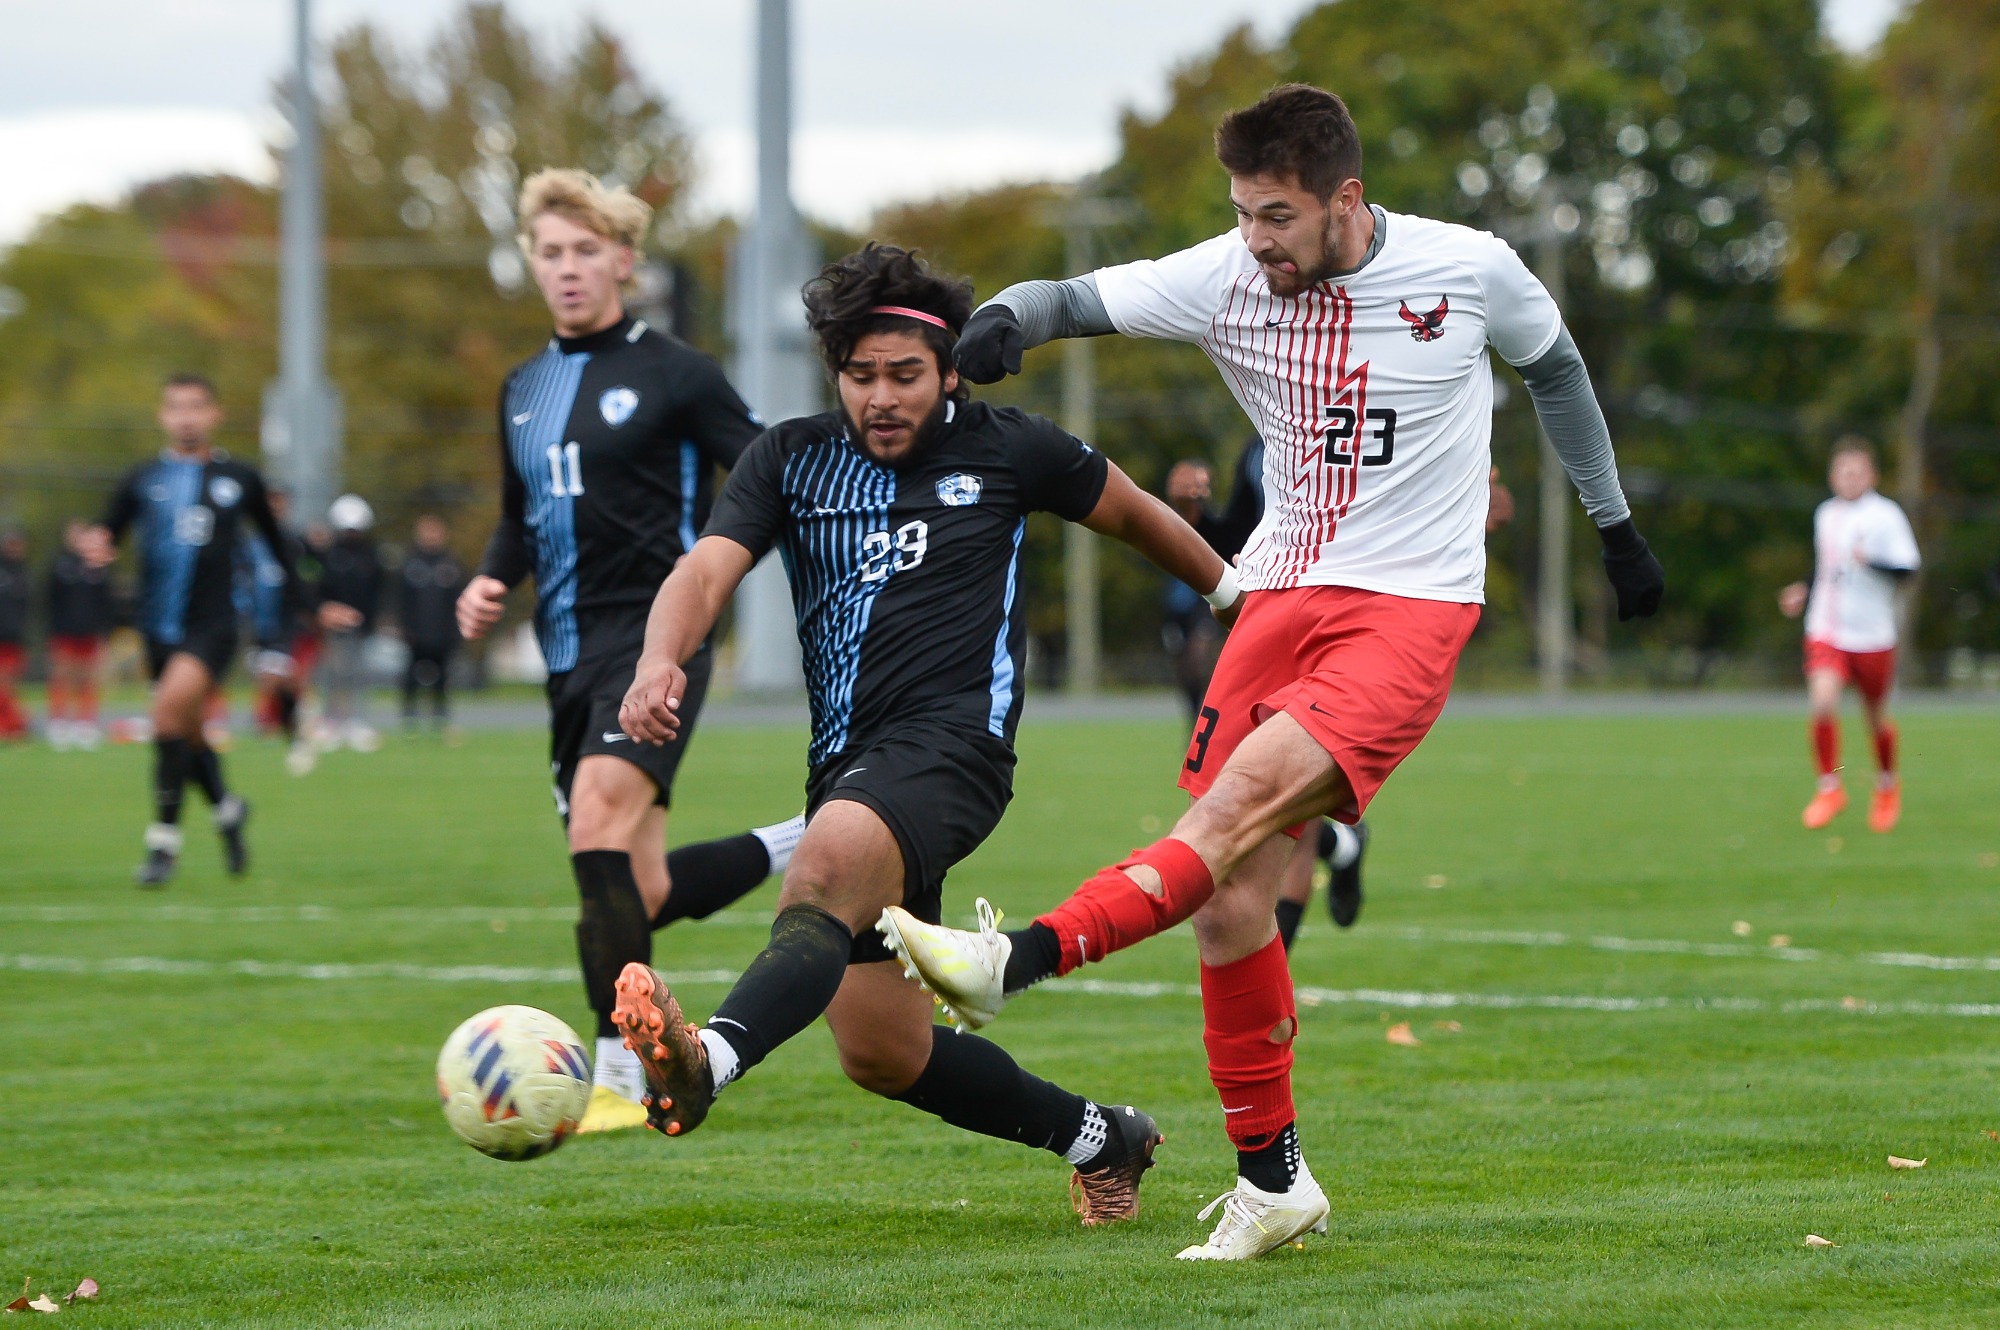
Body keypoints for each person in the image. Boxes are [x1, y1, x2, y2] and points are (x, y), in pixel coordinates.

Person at [882, 83, 1663, 1260]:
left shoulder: (1469, 270)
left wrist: (1612, 526)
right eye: (1243, 212)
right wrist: (1000, 318)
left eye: (1279, 217)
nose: (1256, 239)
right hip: (1272, 593)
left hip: (1408, 609)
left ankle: (1011, 959)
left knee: (1232, 814)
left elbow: (1553, 372)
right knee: (1233, 898)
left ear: (1345, 200)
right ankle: (1272, 1182)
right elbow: (1066, 298)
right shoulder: (1225, 273)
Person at [613, 242, 1236, 1223]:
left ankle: (708, 1063)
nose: (881, 397)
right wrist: (660, 659)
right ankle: (1102, 1136)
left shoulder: (1007, 446)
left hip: (956, 750)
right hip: (849, 766)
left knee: (819, 870)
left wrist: (1233, 595)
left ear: (948, 371)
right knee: (881, 1051)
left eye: (904, 374)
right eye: (859, 376)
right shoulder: (790, 457)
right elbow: (703, 573)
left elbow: (1134, 514)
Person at [456, 168, 806, 1133]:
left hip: (656, 636)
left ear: (623, 260)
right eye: (549, 253)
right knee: (637, 884)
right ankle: (802, 840)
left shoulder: (675, 374)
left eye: (583, 251)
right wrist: (491, 577)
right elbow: (520, 515)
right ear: (533, 264)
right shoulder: (522, 388)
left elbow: (766, 463)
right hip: (569, 654)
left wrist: (753, 559)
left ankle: (615, 1072)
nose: (567, 269)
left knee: (595, 828)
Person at [82, 373, 294, 886]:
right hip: (158, 628)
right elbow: (106, 528)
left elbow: (280, 547)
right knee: (186, 732)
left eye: (196, 406)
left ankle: (163, 845)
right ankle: (227, 810)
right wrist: (99, 544)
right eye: (176, 407)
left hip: (215, 625)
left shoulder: (239, 478)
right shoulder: (142, 478)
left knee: (165, 718)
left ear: (214, 414)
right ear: (162, 415)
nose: (186, 416)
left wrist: (311, 605)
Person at [1168, 438, 1368, 944]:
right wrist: (1195, 513)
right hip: (1264, 622)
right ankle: (1342, 847)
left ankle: (1273, 977)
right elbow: (1236, 529)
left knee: (1285, 798)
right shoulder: (1262, 446)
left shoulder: (1365, 423)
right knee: (1236, 794)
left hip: (1336, 625)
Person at [1778, 437, 1918, 833]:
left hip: (1873, 635)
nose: (1849, 478)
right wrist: (1803, 589)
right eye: (1843, 471)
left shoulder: (1887, 516)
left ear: (1871, 475)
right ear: (1832, 476)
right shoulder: (1825, 514)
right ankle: (1829, 788)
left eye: (1857, 471)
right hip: (1826, 630)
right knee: (1822, 702)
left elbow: (1908, 572)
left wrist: (1872, 562)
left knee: (1875, 719)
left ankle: (1887, 786)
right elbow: (1826, 567)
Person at [316, 494, 385, 752]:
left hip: (362, 626)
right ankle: (330, 720)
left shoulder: (371, 556)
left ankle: (357, 721)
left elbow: (378, 591)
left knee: (359, 675)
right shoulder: (330, 556)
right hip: (333, 627)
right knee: (332, 675)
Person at [46, 519, 117, 749]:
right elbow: (50, 601)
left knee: (88, 678)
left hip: (90, 632)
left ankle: (85, 723)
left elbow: (107, 603)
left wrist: (105, 633)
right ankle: (58, 722)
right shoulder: (60, 566)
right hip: (64, 632)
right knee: (62, 675)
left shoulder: (98, 568)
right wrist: (52, 630)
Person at [398, 514, 464, 731]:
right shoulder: (411, 564)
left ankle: (440, 718)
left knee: (442, 677)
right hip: (416, 633)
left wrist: (456, 629)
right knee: (411, 676)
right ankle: (409, 717)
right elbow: (402, 600)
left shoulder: (450, 564)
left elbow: (458, 599)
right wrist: (405, 627)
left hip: (443, 633)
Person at [0, 531, 28, 742]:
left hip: (14, 639)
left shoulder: (22, 573)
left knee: (9, 686)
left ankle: (12, 726)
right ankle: (12, 725)